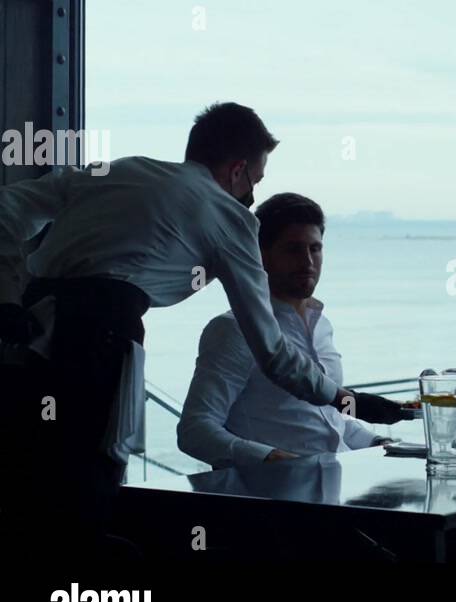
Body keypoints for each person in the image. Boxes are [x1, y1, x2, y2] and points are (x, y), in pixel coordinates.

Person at [0, 102, 402, 558]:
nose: (251, 195)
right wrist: (346, 399)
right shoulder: (230, 218)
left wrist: (8, 295)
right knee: (87, 494)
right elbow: (271, 350)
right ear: (237, 170)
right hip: (98, 349)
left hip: (23, 340)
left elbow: (8, 207)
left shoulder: (119, 170)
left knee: (24, 483)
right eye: (255, 181)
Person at [178, 192, 405, 468]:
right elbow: (194, 430)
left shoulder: (323, 326)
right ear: (261, 256)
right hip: (273, 500)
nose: (308, 262)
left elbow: (327, 422)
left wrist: (377, 443)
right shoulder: (234, 330)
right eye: (293, 249)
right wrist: (269, 457)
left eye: (315, 248)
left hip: (336, 495)